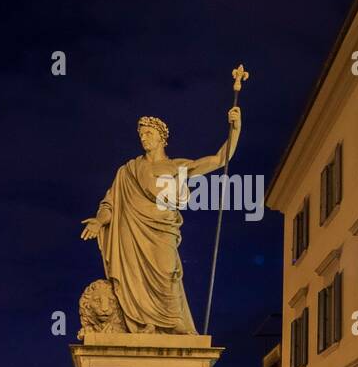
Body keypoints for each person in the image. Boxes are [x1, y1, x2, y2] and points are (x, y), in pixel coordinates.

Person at [81, 108, 242, 333]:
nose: (144, 138)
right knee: (134, 278)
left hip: (162, 231)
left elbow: (218, 159)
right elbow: (110, 203)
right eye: (142, 134)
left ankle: (172, 323)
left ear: (161, 137)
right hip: (132, 230)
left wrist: (235, 129)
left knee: (168, 273)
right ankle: (143, 322)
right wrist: (99, 221)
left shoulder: (176, 167)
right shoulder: (127, 171)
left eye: (149, 133)